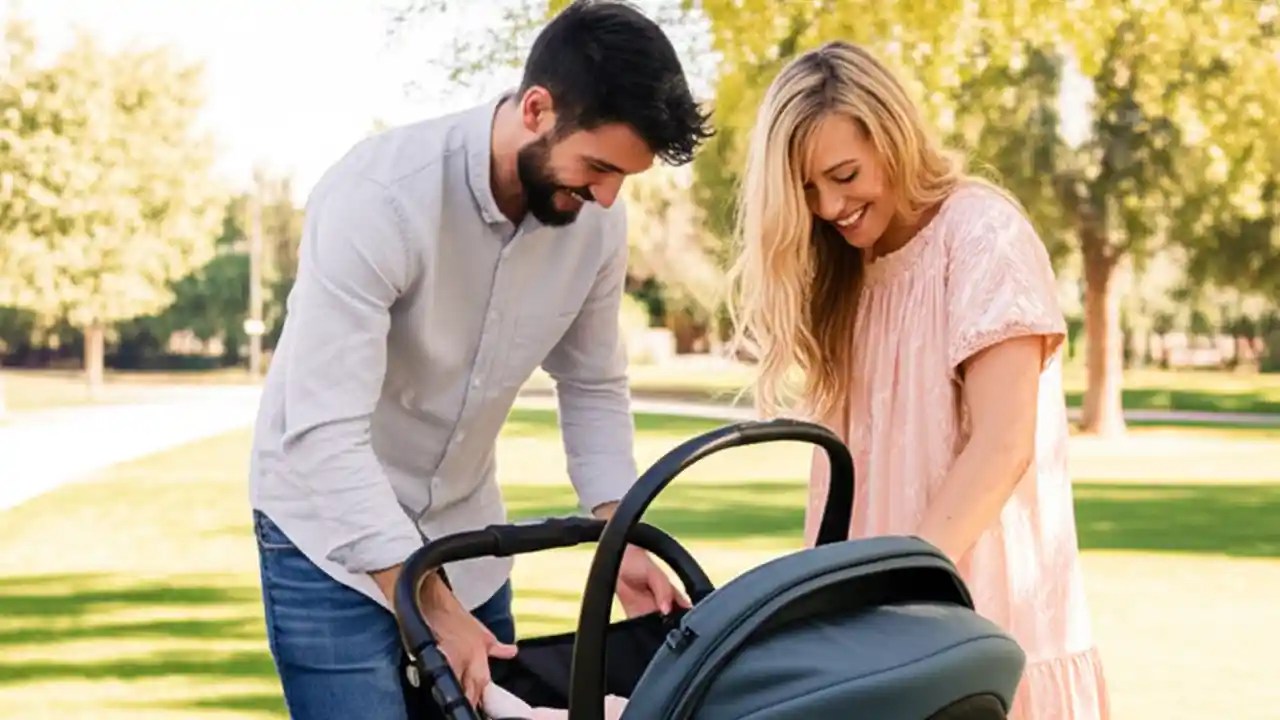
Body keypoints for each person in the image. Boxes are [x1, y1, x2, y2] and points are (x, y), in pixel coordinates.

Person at [248, 2, 712, 717]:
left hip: (468, 543)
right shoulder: (379, 199)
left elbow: (592, 384)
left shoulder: (597, 221)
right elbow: (322, 431)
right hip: (326, 545)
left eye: (625, 177)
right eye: (596, 166)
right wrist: (429, 607)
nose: (607, 196)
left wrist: (621, 536)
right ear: (536, 109)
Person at [727, 41, 1110, 719]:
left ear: (893, 135)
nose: (829, 207)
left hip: (971, 627)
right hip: (873, 646)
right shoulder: (847, 273)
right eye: (808, 190)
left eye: (844, 174)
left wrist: (898, 592)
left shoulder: (982, 236)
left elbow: (1002, 444)